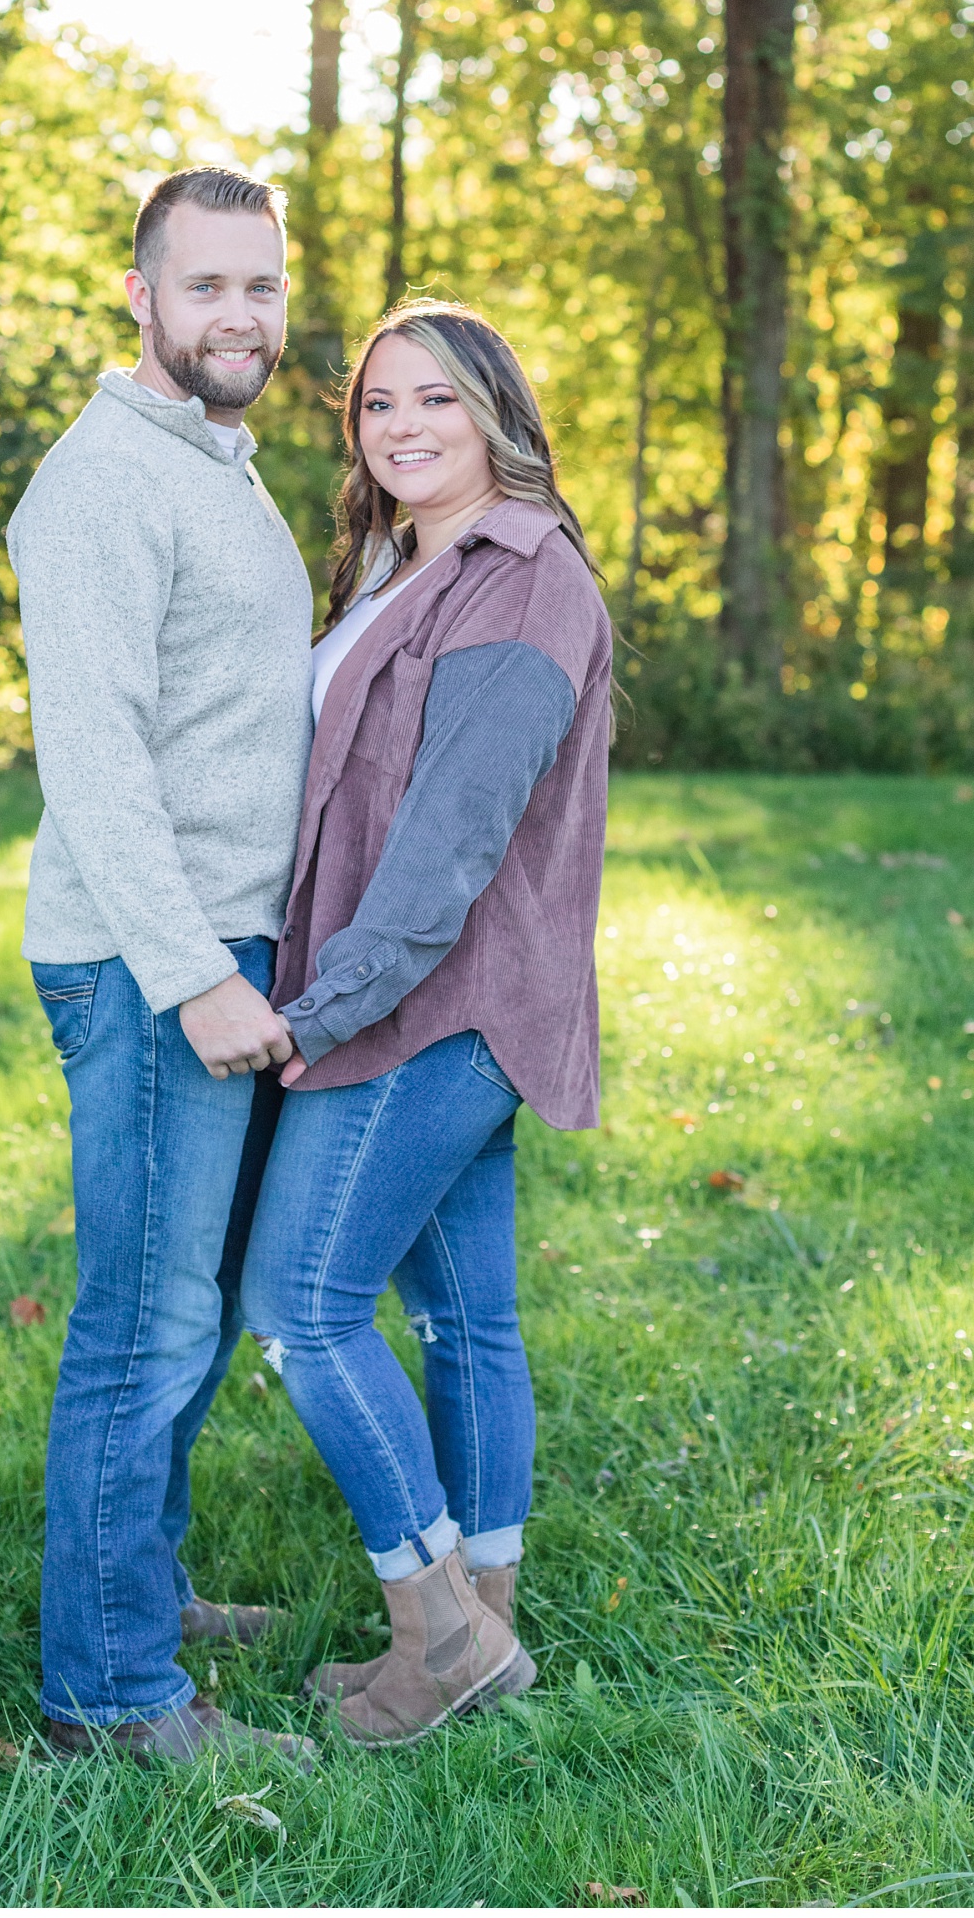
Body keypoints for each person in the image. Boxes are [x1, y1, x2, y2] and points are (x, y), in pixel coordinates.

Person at [240, 299, 613, 1747]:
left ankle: (439, 1633)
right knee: (465, 1319)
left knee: (305, 1308)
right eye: (378, 405)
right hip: (440, 995)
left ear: (497, 415)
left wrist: (312, 1015)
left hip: (426, 1004)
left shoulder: (522, 579)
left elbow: (448, 848)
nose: (402, 428)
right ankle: (487, 1632)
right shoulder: (410, 564)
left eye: (436, 403)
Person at [6, 166, 317, 1768]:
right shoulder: (99, 487)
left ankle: (134, 1589)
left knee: (183, 1314)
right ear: (141, 296)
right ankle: (111, 1696)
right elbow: (98, 762)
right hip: (150, 969)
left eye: (261, 287)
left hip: (219, 951)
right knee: (142, 1324)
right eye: (207, 288)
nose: (240, 315)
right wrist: (196, 973)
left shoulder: (215, 466)